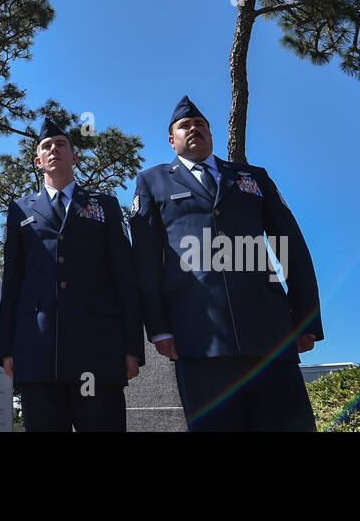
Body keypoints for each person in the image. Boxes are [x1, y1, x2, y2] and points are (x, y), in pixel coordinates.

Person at [129, 95, 324, 431]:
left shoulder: (252, 177)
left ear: (211, 133)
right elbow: (145, 262)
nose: (194, 129)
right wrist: (159, 328)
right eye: (184, 126)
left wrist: (306, 320)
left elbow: (291, 247)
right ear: (171, 139)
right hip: (198, 338)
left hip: (269, 333)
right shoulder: (153, 181)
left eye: (200, 124)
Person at [0, 117, 143, 431]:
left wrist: (132, 347)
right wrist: (7, 349)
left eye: (61, 144)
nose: (54, 150)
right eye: (46, 147)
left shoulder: (104, 205)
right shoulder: (20, 210)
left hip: (98, 351)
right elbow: (12, 283)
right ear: (38, 162)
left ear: (74, 156)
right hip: (37, 352)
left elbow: (125, 278)